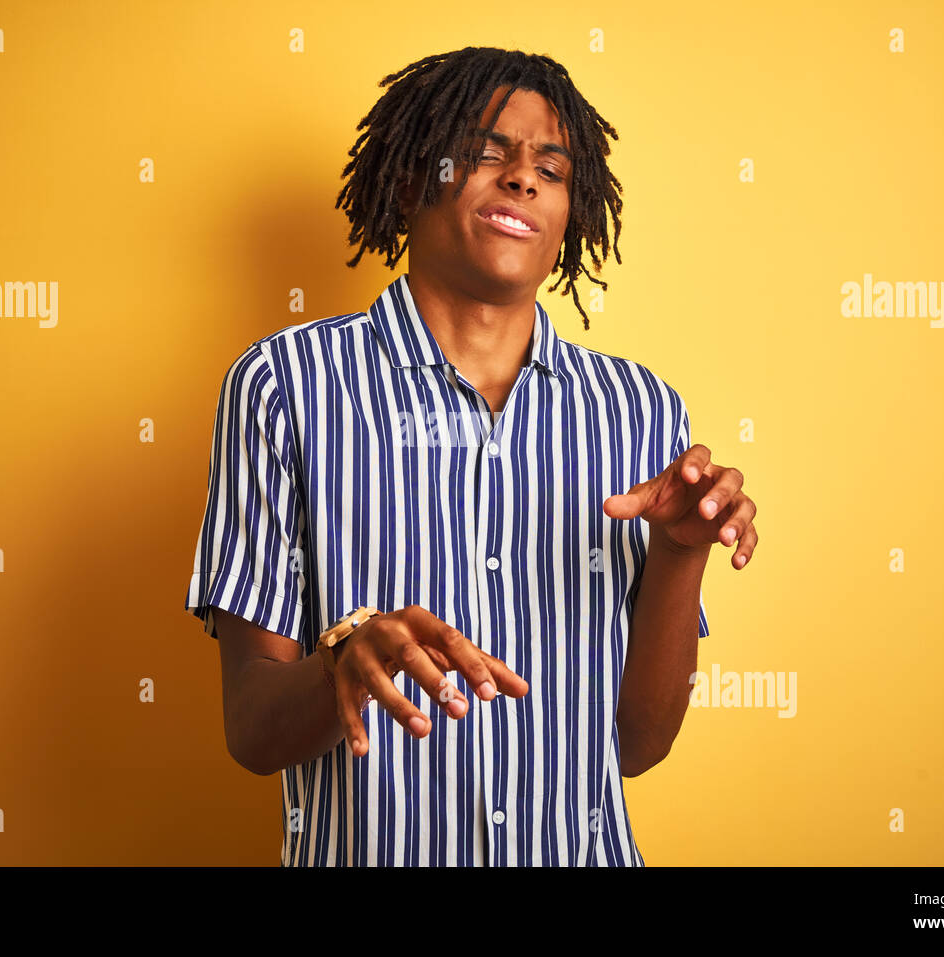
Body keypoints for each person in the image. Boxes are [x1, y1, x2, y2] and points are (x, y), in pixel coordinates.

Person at [185, 46, 759, 866]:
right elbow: (251, 726)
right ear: (416, 172)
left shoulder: (642, 412)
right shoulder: (282, 386)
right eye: (488, 152)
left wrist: (677, 555)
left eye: (551, 169)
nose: (522, 178)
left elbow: (632, 744)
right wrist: (343, 666)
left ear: (570, 211)